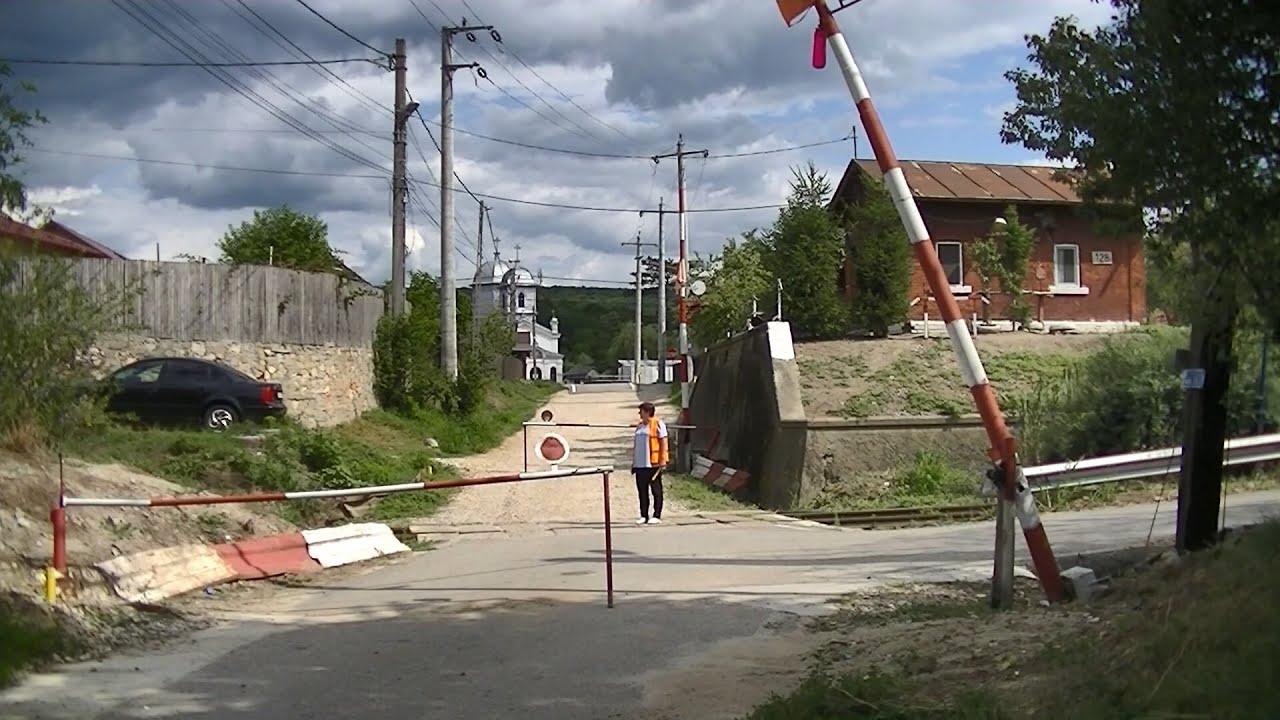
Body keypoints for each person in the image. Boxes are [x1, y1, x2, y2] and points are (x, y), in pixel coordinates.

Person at [633, 401, 669, 525]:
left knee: (656, 490)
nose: (639, 414)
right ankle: (644, 515)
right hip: (640, 464)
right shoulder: (640, 426)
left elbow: (664, 442)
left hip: (653, 463)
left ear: (647, 412)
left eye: (641, 411)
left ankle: (657, 514)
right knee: (642, 491)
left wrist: (663, 459)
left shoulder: (658, 424)